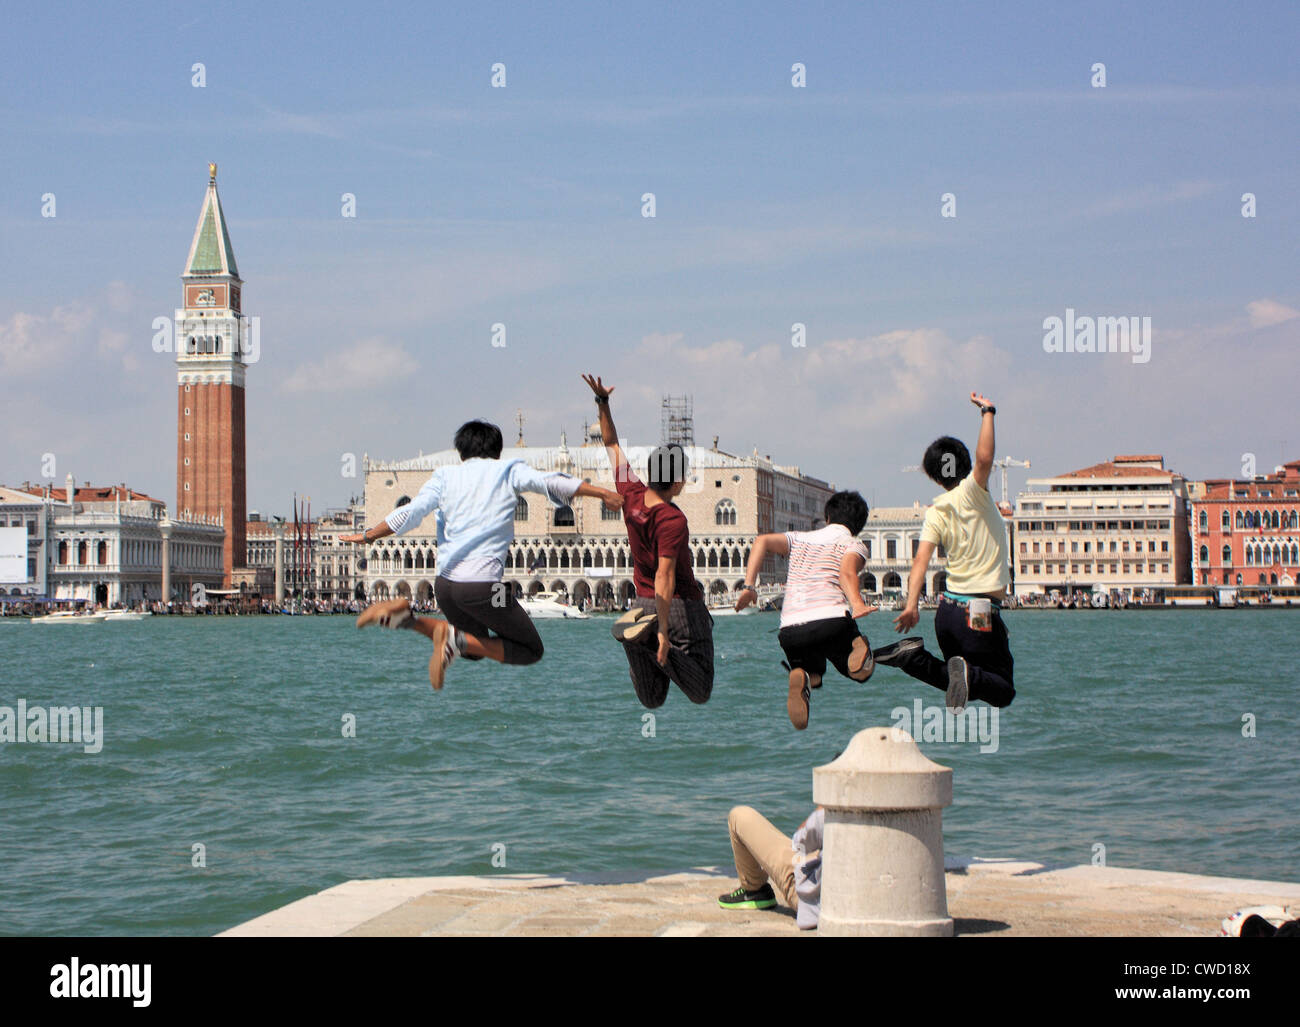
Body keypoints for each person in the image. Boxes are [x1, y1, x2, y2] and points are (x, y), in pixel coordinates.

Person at [342, 419, 623, 689]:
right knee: (529, 649)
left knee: (473, 650)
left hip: (445, 588)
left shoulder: (444, 475)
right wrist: (601, 493)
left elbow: (412, 511)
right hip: (487, 589)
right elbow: (552, 482)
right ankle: (447, 637)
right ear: (497, 451)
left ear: (461, 451)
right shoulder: (508, 471)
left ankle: (409, 619)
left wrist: (368, 535)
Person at [736, 490, 923, 729]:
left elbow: (761, 541)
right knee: (860, 672)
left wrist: (750, 586)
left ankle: (801, 677)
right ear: (858, 526)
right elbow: (846, 573)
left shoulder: (797, 538)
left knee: (812, 677)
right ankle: (857, 645)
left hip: (790, 629)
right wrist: (857, 604)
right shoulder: (852, 543)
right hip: (831, 621)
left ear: (827, 517)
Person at [581, 374, 714, 708]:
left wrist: (602, 402)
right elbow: (665, 577)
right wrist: (663, 632)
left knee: (653, 700)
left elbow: (610, 443)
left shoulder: (631, 493)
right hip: (679, 607)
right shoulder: (672, 519)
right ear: (678, 480)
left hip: (641, 605)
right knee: (700, 690)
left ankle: (636, 641)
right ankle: (645, 642)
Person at [884, 391, 1016, 711]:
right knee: (1002, 690)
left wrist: (912, 604)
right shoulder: (975, 492)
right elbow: (986, 460)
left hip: (946, 614)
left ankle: (913, 658)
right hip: (979, 612)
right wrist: (988, 412)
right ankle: (927, 662)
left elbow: (920, 560)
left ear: (934, 475)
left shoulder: (936, 511)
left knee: (964, 681)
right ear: (966, 464)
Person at [718, 804, 824, 930]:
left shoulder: (840, 806)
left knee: (739, 815)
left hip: (813, 894)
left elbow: (802, 840)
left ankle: (754, 890)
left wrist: (823, 806)